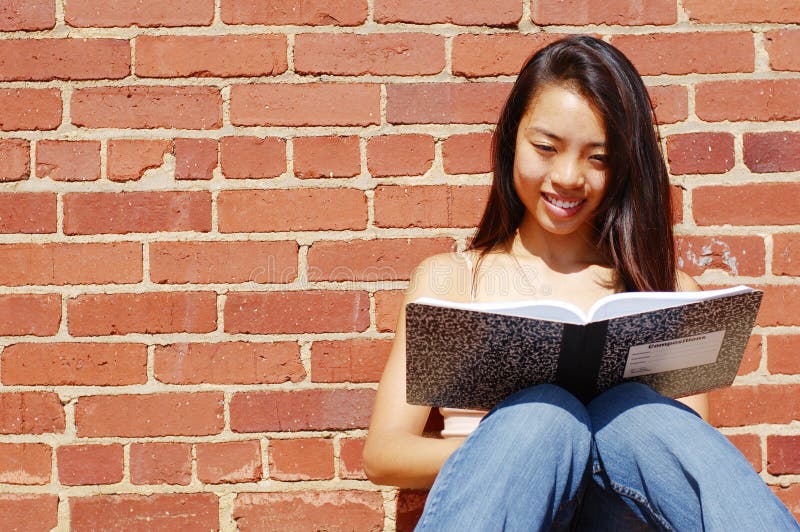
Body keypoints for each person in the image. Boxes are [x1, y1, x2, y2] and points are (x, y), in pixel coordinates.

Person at [362, 35, 800, 530]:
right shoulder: (452, 280)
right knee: (544, 416)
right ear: (511, 142)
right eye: (546, 148)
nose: (568, 176)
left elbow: (683, 459)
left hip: (623, 513)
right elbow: (384, 454)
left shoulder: (668, 290)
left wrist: (600, 437)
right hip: (504, 505)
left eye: (599, 158)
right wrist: (525, 445)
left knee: (641, 417)